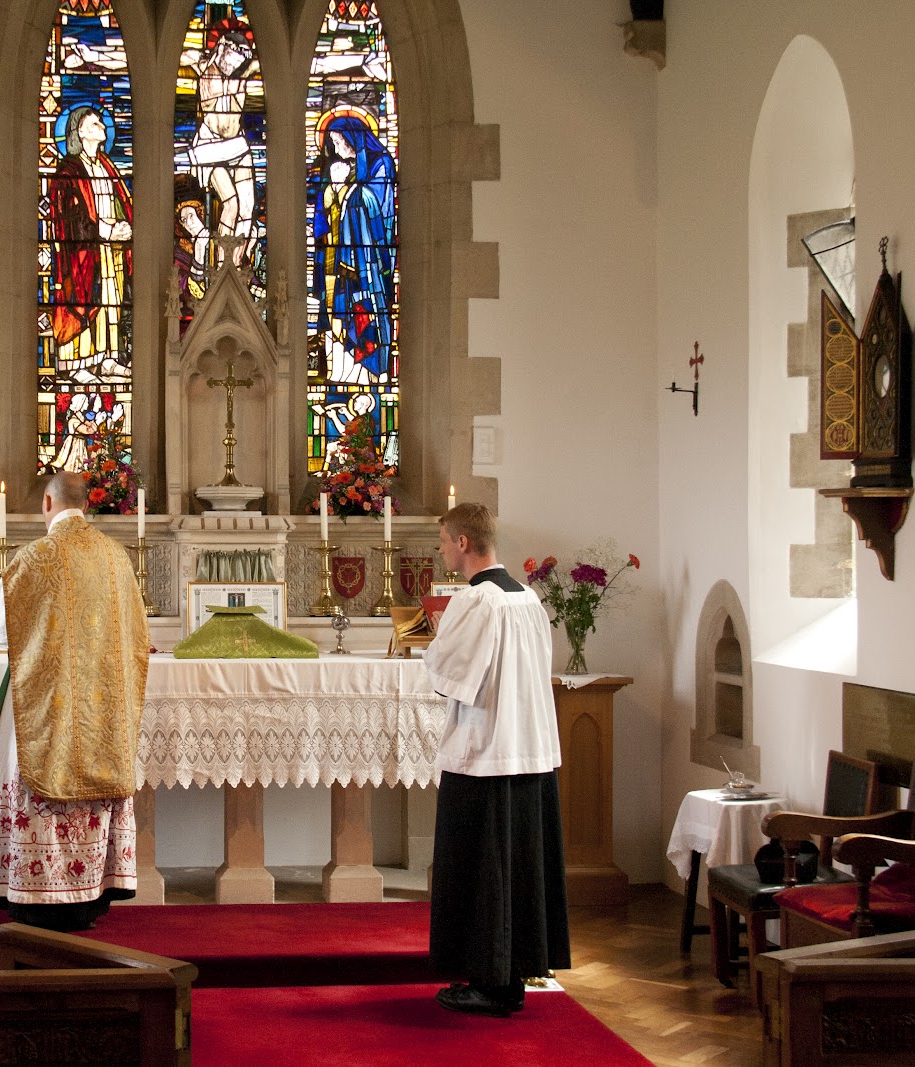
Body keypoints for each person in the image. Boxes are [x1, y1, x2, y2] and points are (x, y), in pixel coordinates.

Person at [0, 471, 150, 931]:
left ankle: (36, 897)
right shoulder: (117, 559)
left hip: (45, 706)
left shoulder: (33, 557)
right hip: (101, 710)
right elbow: (137, 635)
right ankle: (90, 896)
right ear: (88, 504)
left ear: (46, 503)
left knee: (28, 779)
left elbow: (0, 631)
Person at [422, 502, 570, 1018]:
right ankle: (512, 979)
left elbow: (450, 677)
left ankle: (489, 984)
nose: (442, 550)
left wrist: (434, 641)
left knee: (484, 871)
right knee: (519, 869)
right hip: (530, 752)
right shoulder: (528, 598)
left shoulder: (476, 601)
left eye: (444, 541)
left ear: (463, 542)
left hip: (485, 754)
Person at [40, 104, 133, 385]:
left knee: (110, 302)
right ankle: (77, 363)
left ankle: (108, 358)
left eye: (102, 123)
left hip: (111, 248)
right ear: (79, 132)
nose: (103, 127)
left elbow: (120, 201)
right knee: (84, 301)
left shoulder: (106, 166)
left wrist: (126, 225)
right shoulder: (68, 171)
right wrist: (105, 230)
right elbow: (71, 215)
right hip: (81, 252)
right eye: (95, 124)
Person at [313, 112, 396, 384]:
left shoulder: (380, 164)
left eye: (339, 142)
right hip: (336, 260)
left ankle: (366, 377)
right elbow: (323, 219)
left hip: (365, 264)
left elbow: (376, 213)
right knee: (334, 317)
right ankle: (339, 374)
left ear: (354, 139)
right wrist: (334, 191)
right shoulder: (336, 168)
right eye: (333, 144)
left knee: (362, 315)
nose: (336, 149)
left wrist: (346, 191)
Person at [179, 19, 259, 265]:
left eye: (242, 59)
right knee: (231, 203)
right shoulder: (202, 64)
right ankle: (223, 268)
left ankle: (236, 267)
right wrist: (93, 56)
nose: (235, 65)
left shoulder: (245, 70)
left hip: (237, 145)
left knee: (247, 208)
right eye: (234, 57)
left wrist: (357, 62)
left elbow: (319, 64)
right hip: (210, 146)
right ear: (222, 47)